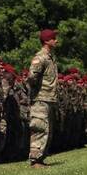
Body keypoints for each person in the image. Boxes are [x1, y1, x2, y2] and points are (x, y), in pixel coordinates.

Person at [28, 29, 58, 166]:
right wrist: (36, 92)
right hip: (40, 98)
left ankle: (41, 158)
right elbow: (32, 77)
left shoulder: (50, 57)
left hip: (49, 98)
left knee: (47, 130)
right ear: (46, 41)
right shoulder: (40, 57)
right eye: (54, 38)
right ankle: (35, 160)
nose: (56, 40)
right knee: (39, 128)